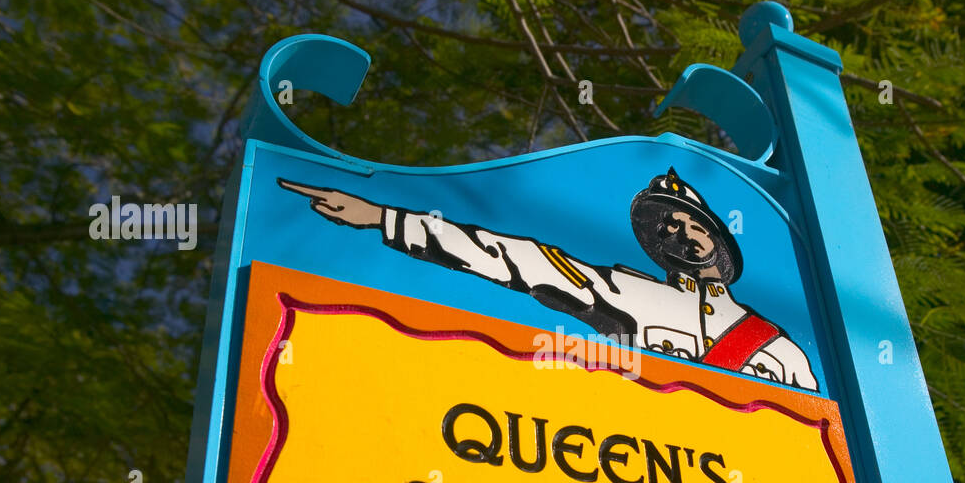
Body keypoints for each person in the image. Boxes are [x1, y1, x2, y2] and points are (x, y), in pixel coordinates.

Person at [278, 167, 818, 390]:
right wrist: (383, 219)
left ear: (717, 238)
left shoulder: (774, 346)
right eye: (666, 228)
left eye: (690, 223)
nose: (679, 234)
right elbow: (524, 260)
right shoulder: (631, 293)